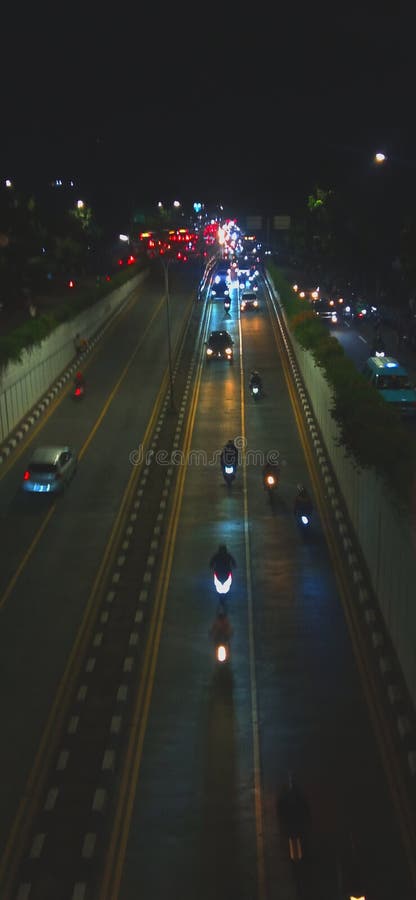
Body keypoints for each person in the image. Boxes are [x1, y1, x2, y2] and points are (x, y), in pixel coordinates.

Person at [277, 773, 311, 839]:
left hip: (297, 823)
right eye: (289, 780)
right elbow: (281, 808)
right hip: (289, 824)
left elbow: (304, 808)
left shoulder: (299, 794)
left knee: (298, 839)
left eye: (291, 780)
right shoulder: (284, 795)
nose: (290, 783)